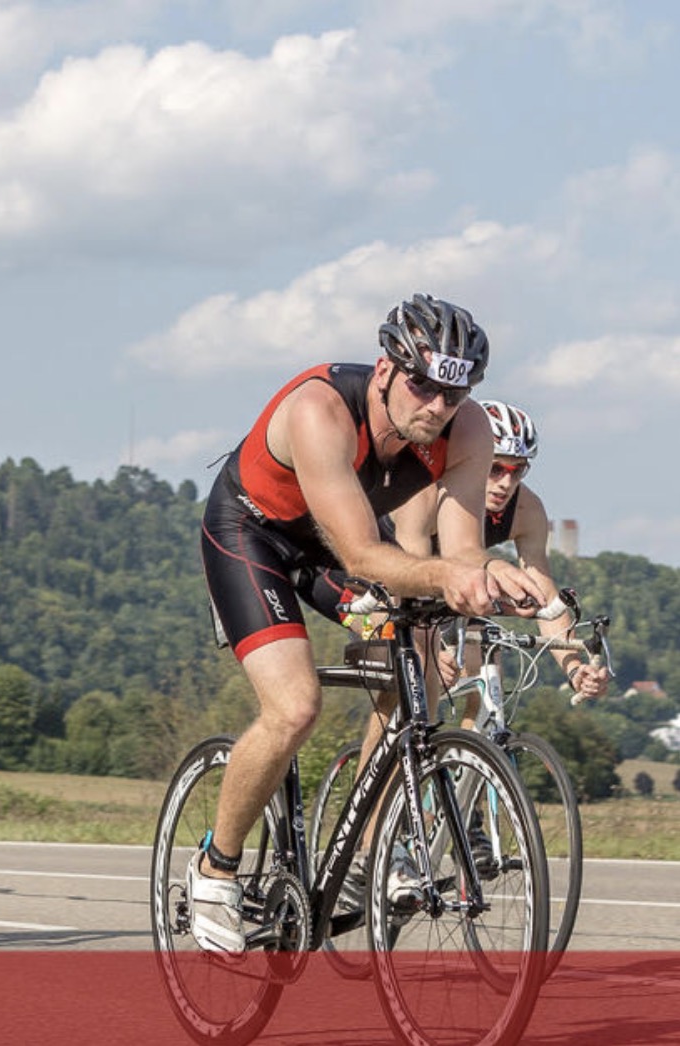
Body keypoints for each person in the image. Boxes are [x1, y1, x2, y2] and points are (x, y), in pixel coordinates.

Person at [193, 293, 547, 954]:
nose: (437, 406)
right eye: (424, 384)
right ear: (385, 369)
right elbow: (362, 555)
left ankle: (366, 852)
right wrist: (450, 578)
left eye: (455, 391)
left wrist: (491, 577)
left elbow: (463, 547)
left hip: (333, 550)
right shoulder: (320, 408)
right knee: (295, 708)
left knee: (416, 654)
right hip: (254, 537)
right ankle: (217, 868)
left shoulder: (466, 431)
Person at [391, 399, 611, 709]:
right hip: (387, 586)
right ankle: (385, 756)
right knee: (408, 686)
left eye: (517, 471)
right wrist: (427, 648)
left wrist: (574, 669)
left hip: (450, 595)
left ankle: (468, 755)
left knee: (484, 675)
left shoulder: (525, 510)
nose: (506, 483)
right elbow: (406, 581)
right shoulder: (428, 494)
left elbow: (545, 600)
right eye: (495, 468)